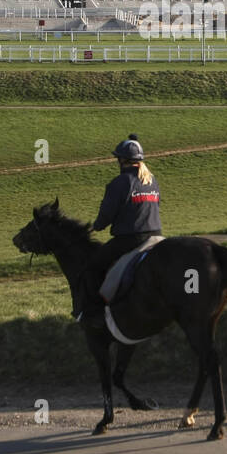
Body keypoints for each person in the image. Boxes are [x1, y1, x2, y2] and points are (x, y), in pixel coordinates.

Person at [75, 135, 162, 323]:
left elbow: (107, 215)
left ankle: (95, 312)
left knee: (92, 267)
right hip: (156, 236)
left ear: (122, 160)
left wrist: (97, 226)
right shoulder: (151, 180)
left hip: (130, 240)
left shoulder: (120, 182)